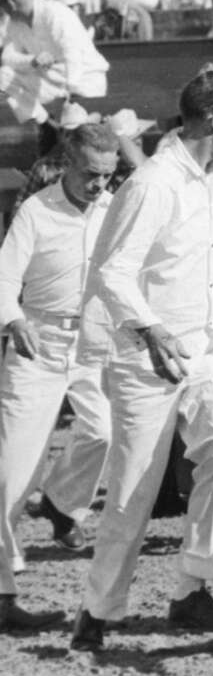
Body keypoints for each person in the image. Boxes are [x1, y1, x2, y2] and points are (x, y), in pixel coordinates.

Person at [69, 70, 213, 652]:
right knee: (133, 490)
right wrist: (151, 329)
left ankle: (192, 590)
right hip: (144, 353)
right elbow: (111, 272)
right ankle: (97, 612)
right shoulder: (151, 183)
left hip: (207, 349)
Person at [0, 125, 119, 633]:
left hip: (94, 341)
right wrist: (13, 319)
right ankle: (2, 591)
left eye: (108, 175)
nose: (99, 185)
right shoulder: (37, 211)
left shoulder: (116, 210)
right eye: (91, 174)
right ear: (67, 163)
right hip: (39, 339)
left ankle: (62, 500)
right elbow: (4, 275)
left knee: (103, 432)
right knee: (11, 473)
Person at [0, 0, 109, 124]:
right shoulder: (15, 23)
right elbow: (7, 58)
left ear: (10, 3)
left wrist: (71, 97)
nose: (1, 10)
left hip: (85, 81)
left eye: (1, 4)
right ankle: (46, 125)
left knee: (80, 132)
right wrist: (32, 61)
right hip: (54, 82)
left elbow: (73, 53)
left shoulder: (54, 12)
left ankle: (66, 124)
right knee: (3, 76)